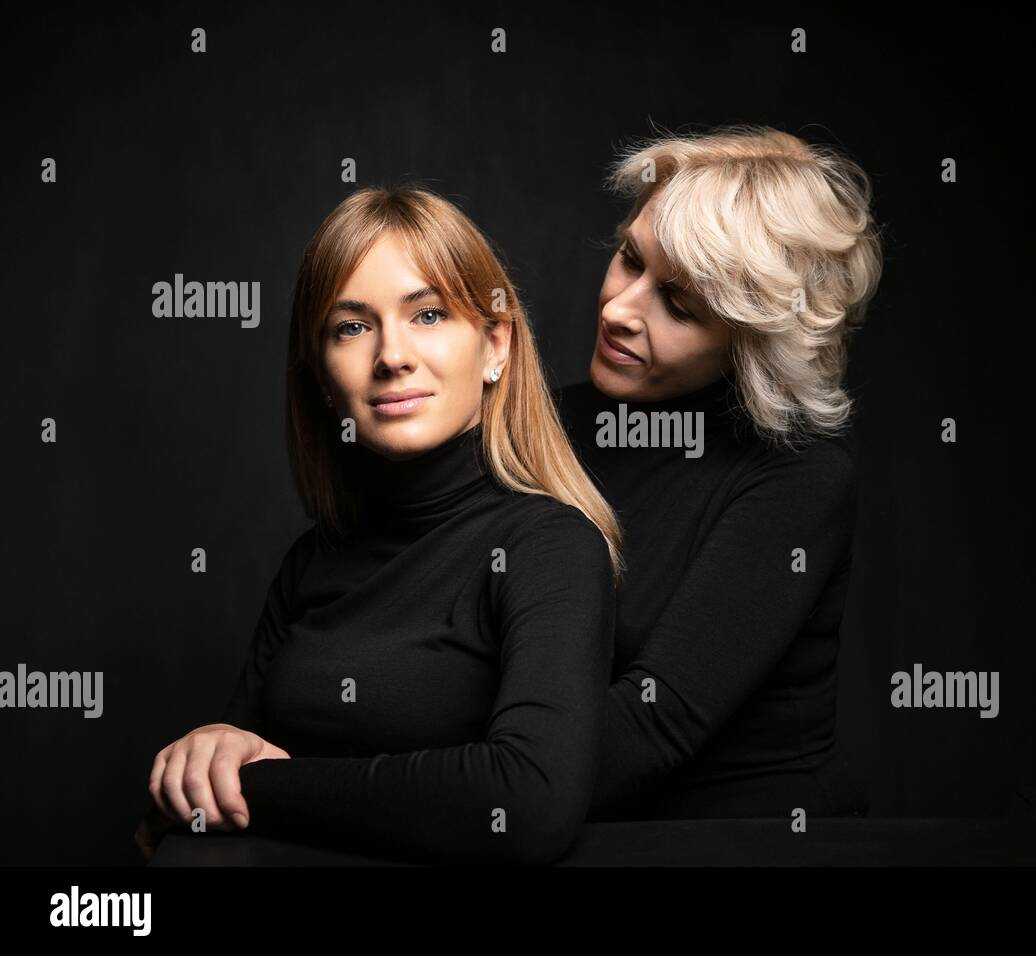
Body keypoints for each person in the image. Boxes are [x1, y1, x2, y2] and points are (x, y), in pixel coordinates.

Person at [136, 185, 621, 864]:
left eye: (428, 314)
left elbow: (527, 801)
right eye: (352, 326)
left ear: (495, 347)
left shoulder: (549, 547)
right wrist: (200, 758)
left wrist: (260, 790)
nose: (392, 355)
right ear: (324, 380)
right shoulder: (313, 561)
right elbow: (217, 780)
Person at [557, 126, 884, 820]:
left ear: (755, 339)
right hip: (565, 826)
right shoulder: (542, 422)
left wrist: (414, 785)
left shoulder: (800, 479)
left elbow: (652, 727)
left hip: (742, 841)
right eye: (627, 258)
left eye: (677, 306)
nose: (618, 310)